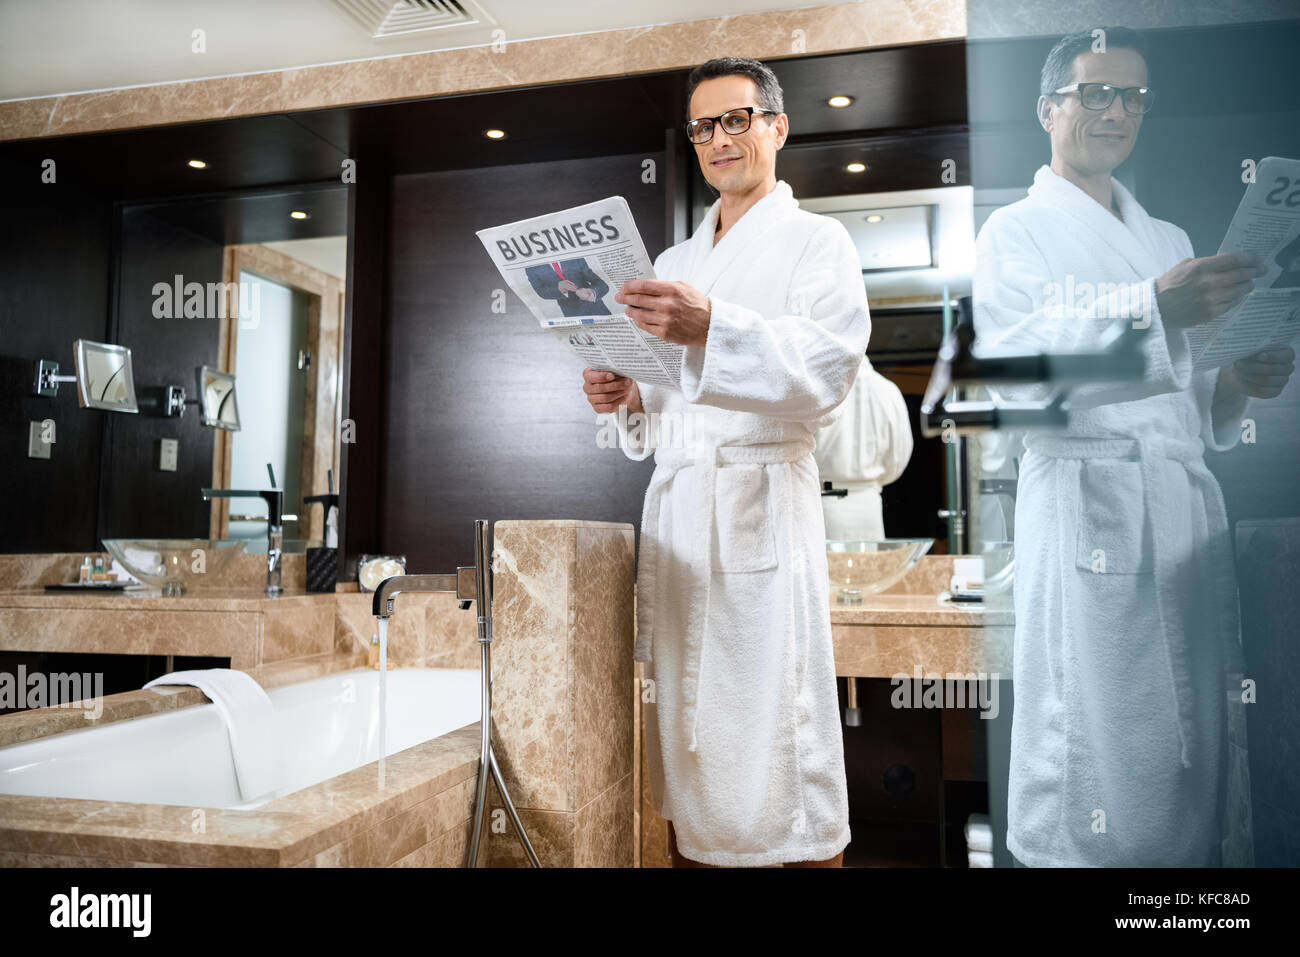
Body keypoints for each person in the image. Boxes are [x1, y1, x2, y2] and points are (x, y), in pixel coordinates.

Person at [972, 26, 1295, 867]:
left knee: (1188, 767)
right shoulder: (1016, 231)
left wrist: (1235, 382)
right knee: (1089, 755)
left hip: (1179, 518)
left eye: (1134, 96)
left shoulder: (1172, 240)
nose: (1117, 110)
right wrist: (1155, 313)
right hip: (1090, 517)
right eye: (1096, 93)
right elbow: (1014, 373)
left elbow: (1186, 405)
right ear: (1050, 108)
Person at [581, 56, 870, 867]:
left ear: (776, 127)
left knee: (785, 746)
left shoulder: (819, 242)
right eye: (703, 126)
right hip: (680, 529)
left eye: (736, 118)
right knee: (693, 747)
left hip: (761, 512)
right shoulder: (671, 264)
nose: (718, 139)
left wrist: (714, 327)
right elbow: (667, 404)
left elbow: (828, 369)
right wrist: (630, 402)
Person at [814, 356, 913, 540]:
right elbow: (899, 457)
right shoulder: (889, 391)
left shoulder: (819, 389)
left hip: (825, 503)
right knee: (869, 567)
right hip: (869, 504)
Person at [525, 257, 609, 317]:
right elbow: (541, 291)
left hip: (597, 310)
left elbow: (602, 284)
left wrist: (593, 292)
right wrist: (559, 289)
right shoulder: (531, 267)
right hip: (572, 313)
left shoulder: (573, 256)